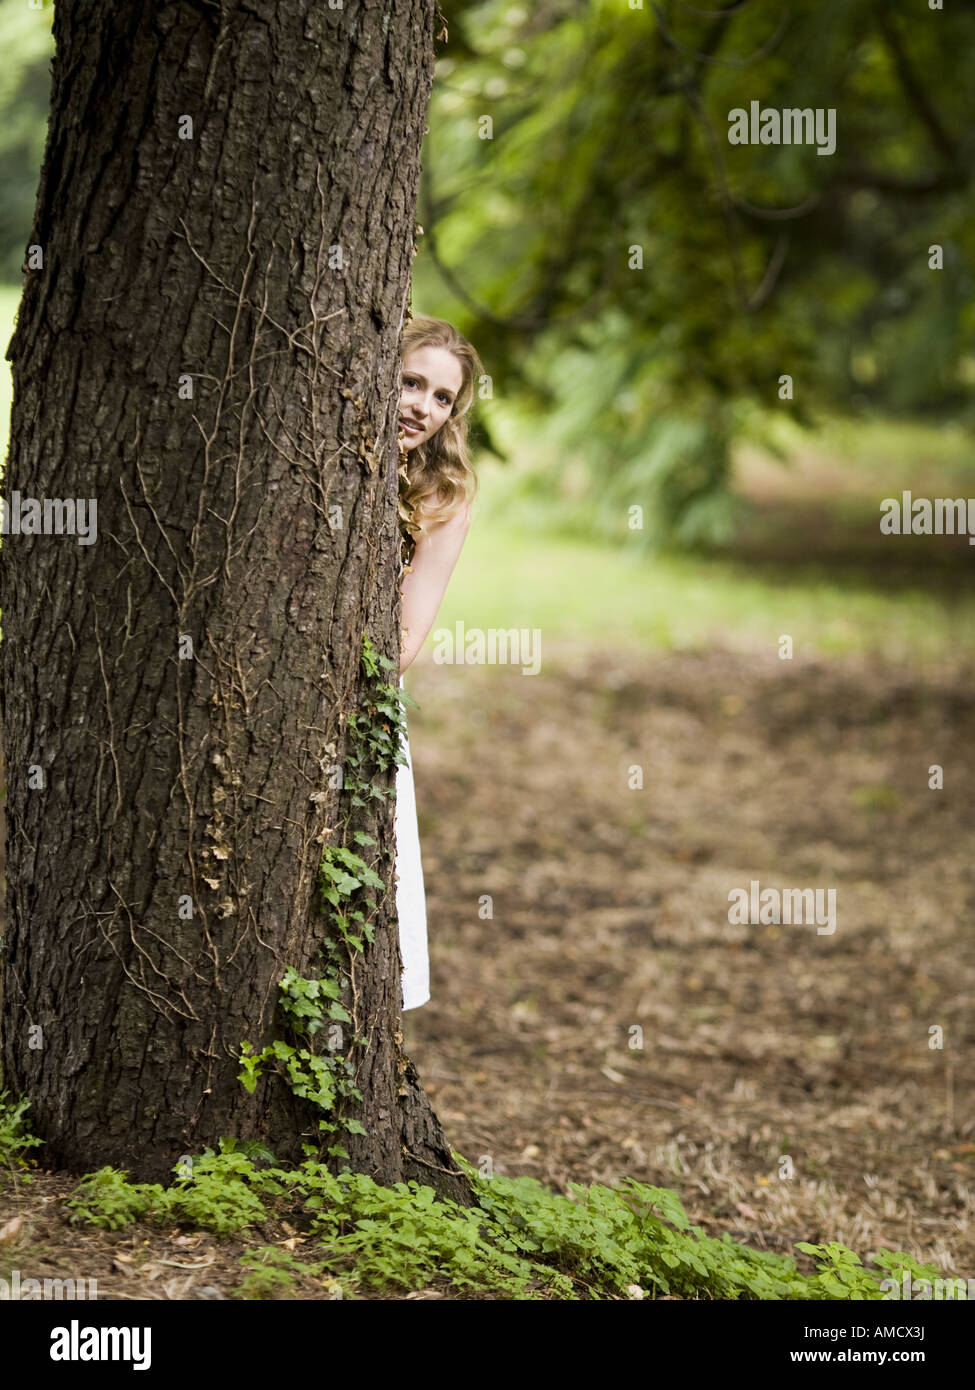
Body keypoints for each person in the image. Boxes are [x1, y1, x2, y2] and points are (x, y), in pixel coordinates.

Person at [394, 315, 482, 1011]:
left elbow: (405, 637)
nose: (423, 405)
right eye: (411, 381)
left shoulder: (444, 495)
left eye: (442, 396)